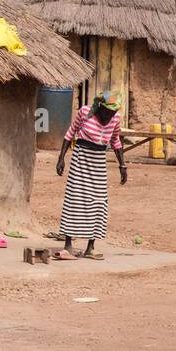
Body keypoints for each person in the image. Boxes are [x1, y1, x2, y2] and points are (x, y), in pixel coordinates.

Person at [54, 90, 127, 260]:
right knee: (75, 199)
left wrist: (122, 165)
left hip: (98, 161)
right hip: (81, 157)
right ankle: (68, 244)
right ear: (100, 107)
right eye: (109, 111)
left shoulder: (115, 119)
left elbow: (115, 141)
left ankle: (90, 247)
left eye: (114, 111)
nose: (111, 115)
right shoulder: (85, 113)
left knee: (99, 201)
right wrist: (61, 158)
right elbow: (70, 133)